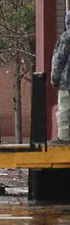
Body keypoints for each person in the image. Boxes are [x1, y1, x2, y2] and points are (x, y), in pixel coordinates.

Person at [51, 12, 70, 141]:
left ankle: (64, 137)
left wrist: (54, 78)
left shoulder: (66, 37)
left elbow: (59, 60)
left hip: (66, 81)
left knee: (65, 108)